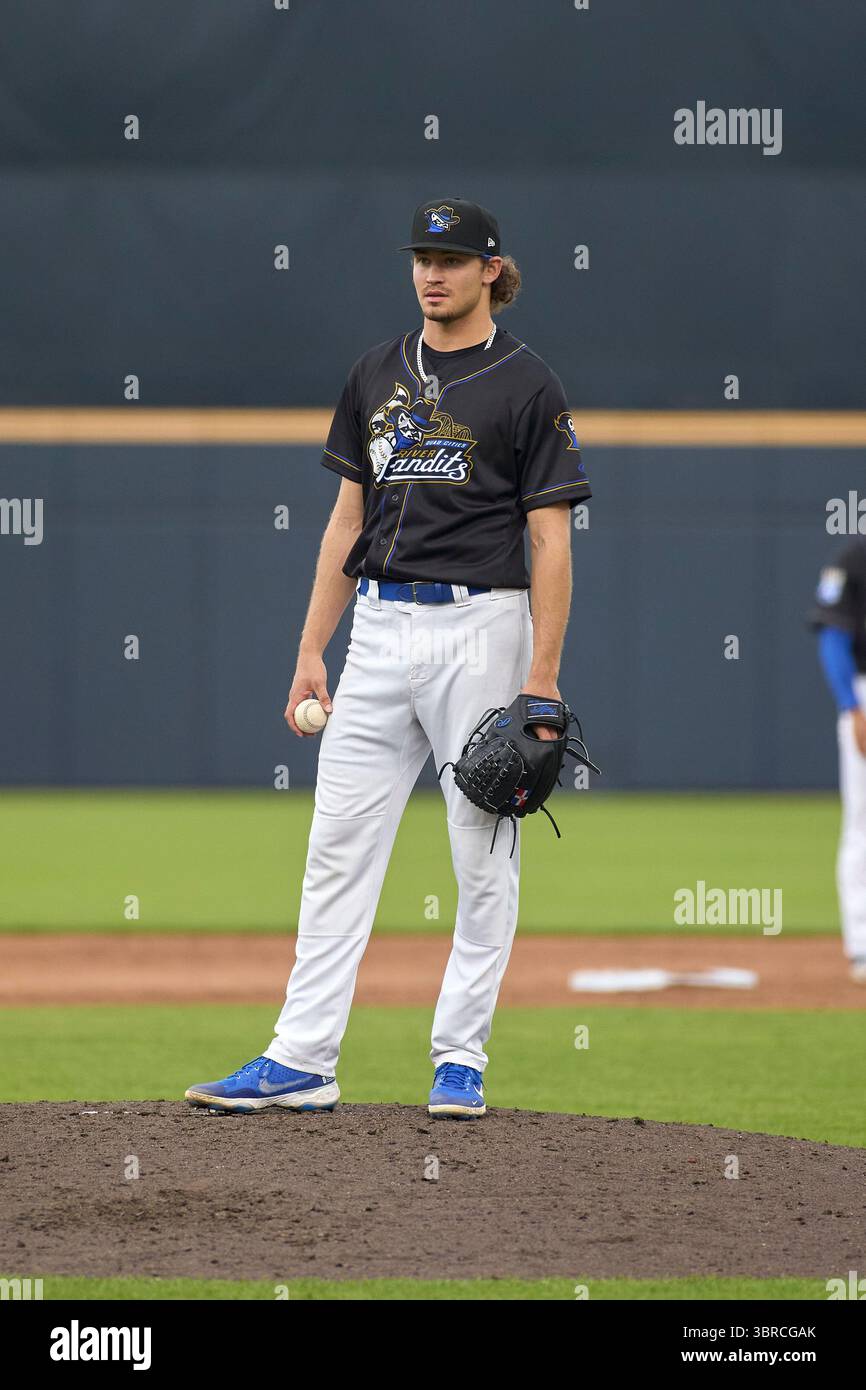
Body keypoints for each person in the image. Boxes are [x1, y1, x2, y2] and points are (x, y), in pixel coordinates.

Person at [185, 196, 591, 1118]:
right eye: (420, 256)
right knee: (336, 848)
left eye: (450, 258)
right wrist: (309, 651)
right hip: (375, 629)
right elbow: (344, 521)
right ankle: (301, 1059)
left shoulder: (528, 384)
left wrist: (543, 679)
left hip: (481, 628)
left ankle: (461, 1060)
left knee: (481, 852)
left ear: (492, 269)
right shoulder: (375, 372)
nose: (430, 273)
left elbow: (553, 542)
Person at [809, 537, 866, 981]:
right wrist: (852, 706)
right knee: (862, 823)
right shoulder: (855, 558)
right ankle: (863, 945)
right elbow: (832, 635)